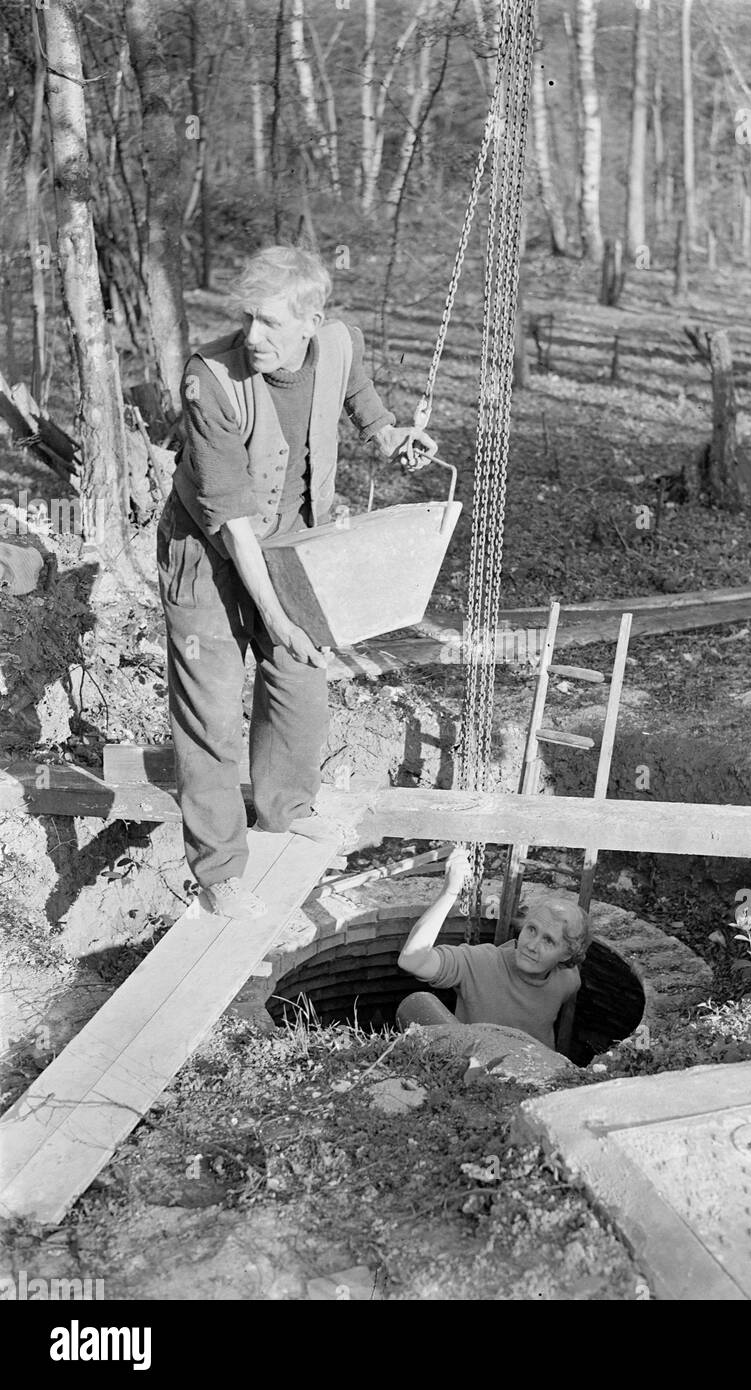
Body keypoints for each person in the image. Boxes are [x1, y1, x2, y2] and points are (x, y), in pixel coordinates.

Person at [158, 245, 436, 919]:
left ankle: (283, 808)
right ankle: (220, 871)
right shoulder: (211, 381)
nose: (254, 337)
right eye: (248, 319)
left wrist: (386, 434)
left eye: (272, 324)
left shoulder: (339, 342)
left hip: (293, 545)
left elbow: (355, 390)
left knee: (300, 679)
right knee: (212, 711)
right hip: (209, 551)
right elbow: (234, 525)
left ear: (312, 319)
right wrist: (276, 619)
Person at [397, 846, 590, 1050]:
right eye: (531, 929)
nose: (532, 946)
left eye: (548, 941)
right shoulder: (480, 963)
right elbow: (412, 960)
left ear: (567, 955)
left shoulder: (568, 980)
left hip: (538, 1073)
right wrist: (450, 892)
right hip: (476, 1070)